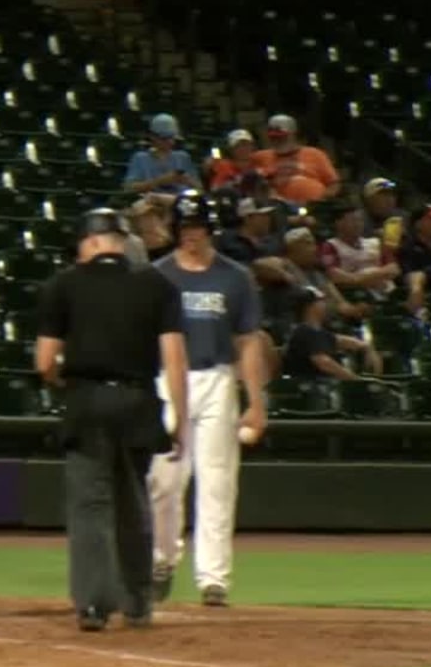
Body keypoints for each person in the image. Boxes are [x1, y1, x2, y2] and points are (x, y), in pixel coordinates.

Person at [36, 208, 188, 632]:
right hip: (139, 401)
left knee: (90, 506)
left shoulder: (62, 285)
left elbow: (45, 361)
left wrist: (62, 378)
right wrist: (181, 418)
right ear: (120, 242)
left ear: (89, 241)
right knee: (133, 502)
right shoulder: (158, 285)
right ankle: (138, 602)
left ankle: (94, 605)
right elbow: (174, 358)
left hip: (87, 401)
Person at [147, 195, 269, 609]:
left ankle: (213, 578)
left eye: (198, 226)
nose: (191, 234)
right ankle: (161, 560)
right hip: (166, 380)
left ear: (209, 228)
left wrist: (255, 400)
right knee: (164, 481)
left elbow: (248, 342)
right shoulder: (157, 276)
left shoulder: (234, 277)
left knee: (217, 480)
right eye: (185, 227)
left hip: (217, 377)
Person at [281, 288, 380, 380]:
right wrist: (354, 379)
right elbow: (324, 363)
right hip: (310, 390)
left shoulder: (316, 331)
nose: (326, 304)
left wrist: (367, 347)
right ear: (311, 306)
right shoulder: (304, 331)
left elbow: (341, 340)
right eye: (321, 301)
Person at [253, 114, 339, 204]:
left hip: (315, 205)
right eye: (273, 137)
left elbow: (333, 183)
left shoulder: (315, 153)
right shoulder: (260, 157)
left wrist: (324, 198)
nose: (277, 140)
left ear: (293, 135)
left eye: (281, 137)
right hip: (280, 207)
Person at [320, 203, 399, 296]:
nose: (358, 224)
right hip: (356, 294)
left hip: (388, 291)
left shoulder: (375, 242)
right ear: (339, 223)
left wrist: (359, 278)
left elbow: (394, 269)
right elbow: (336, 277)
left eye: (360, 220)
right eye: (353, 220)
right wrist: (378, 275)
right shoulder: (330, 246)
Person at [123, 113, 201, 195]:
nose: (170, 142)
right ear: (152, 137)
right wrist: (159, 181)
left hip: (179, 202)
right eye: (164, 138)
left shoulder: (183, 157)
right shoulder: (141, 158)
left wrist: (187, 180)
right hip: (150, 202)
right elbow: (128, 188)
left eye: (172, 138)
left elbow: (200, 188)